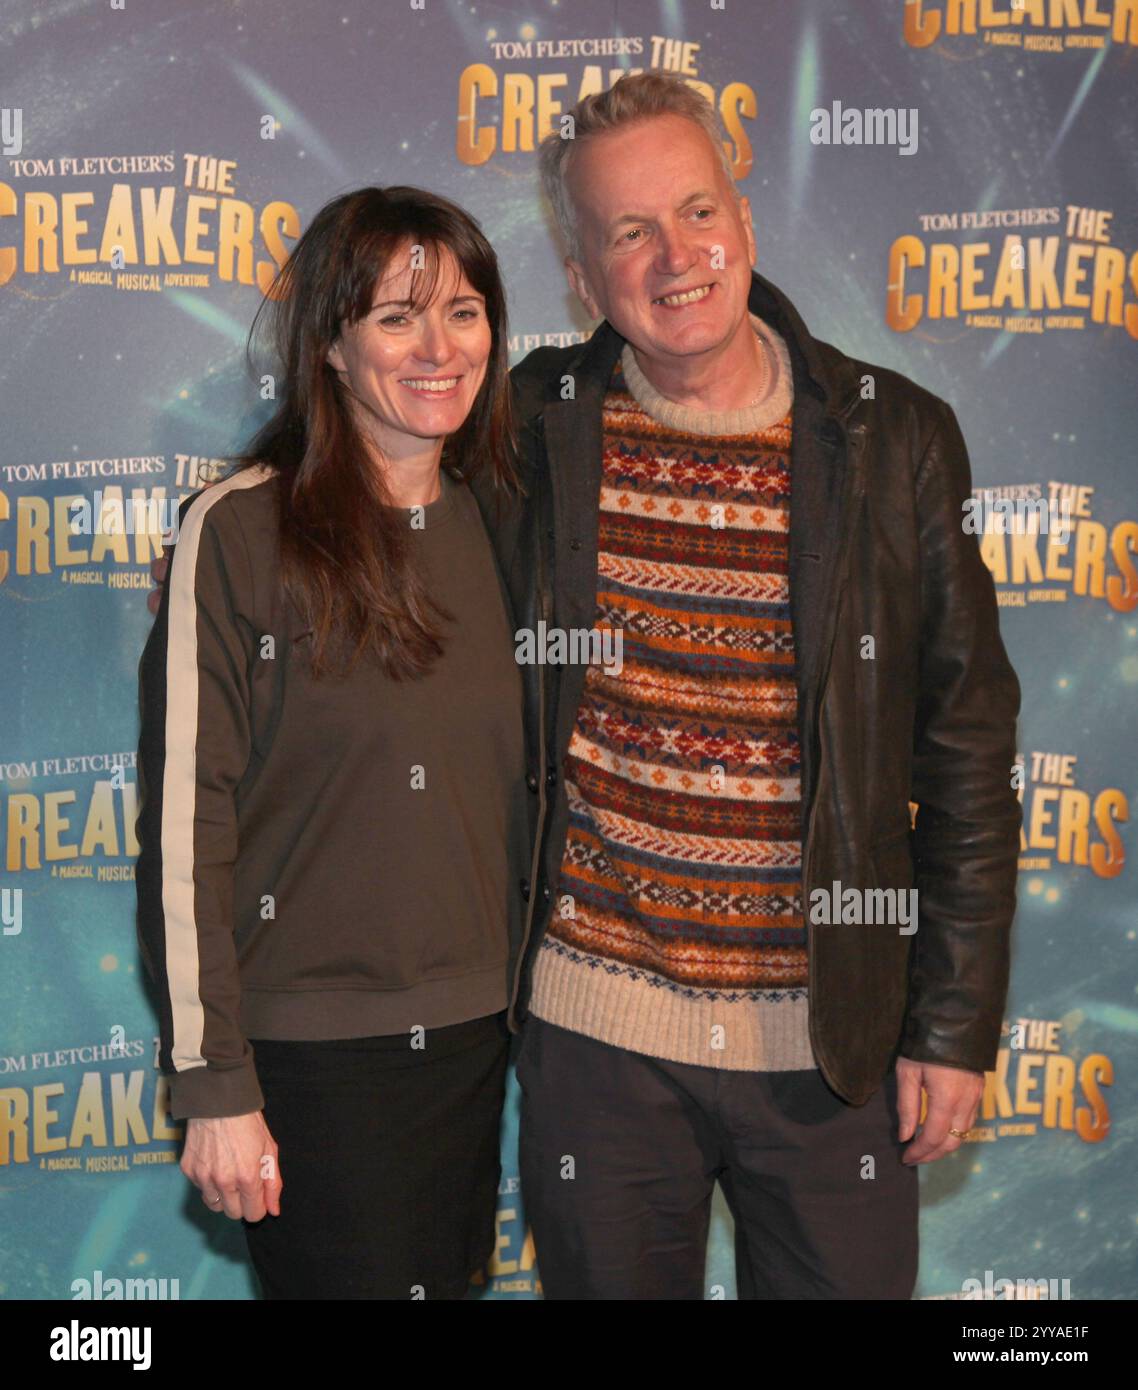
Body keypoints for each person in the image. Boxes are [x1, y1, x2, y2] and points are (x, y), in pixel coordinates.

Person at [470, 71, 1022, 1299]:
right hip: (597, 1045)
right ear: (582, 275)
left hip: (833, 1048)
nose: (676, 257)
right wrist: (224, 528)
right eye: (629, 232)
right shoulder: (529, 430)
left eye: (696, 211)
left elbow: (967, 751)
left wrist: (951, 1023)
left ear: (745, 222)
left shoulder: (895, 437)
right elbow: (363, 474)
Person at [136, 185, 528, 1300]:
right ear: (332, 347)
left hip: (472, 1038)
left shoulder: (511, 519)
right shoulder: (243, 528)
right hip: (308, 1059)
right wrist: (215, 1084)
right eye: (396, 316)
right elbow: (183, 825)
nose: (437, 346)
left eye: (462, 310)